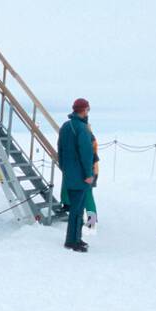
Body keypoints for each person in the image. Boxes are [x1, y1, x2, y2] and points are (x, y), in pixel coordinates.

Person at [57, 98, 97, 253]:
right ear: (83, 110)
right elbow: (86, 153)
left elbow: (60, 149)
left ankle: (75, 238)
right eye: (88, 109)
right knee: (78, 209)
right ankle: (72, 241)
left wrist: (64, 169)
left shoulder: (65, 126)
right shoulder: (82, 128)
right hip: (81, 175)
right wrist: (88, 173)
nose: (88, 112)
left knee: (76, 207)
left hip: (69, 173)